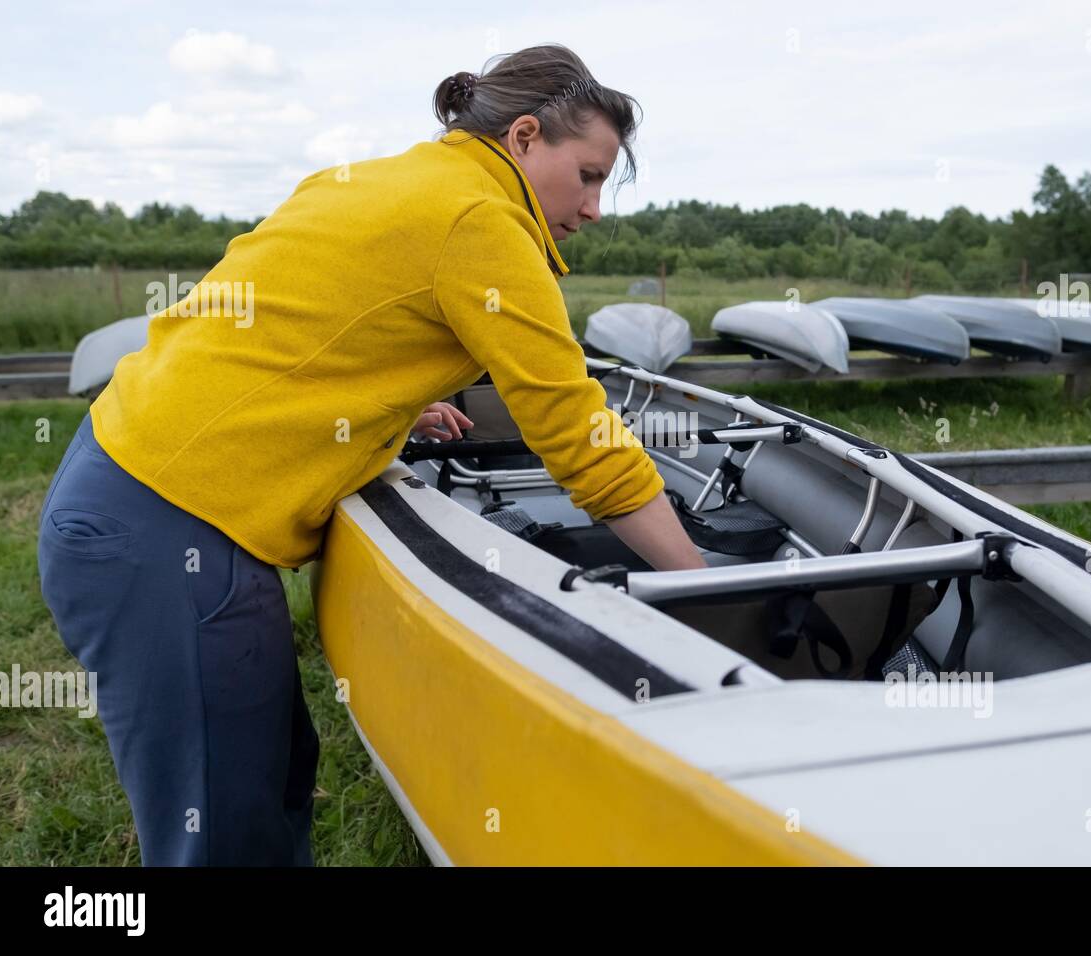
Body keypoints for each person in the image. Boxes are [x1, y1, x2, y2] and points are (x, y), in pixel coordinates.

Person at [37, 42, 705, 867]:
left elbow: (280, 312)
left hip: (122, 485)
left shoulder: (391, 179)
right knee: (220, 825)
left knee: (270, 778)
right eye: (592, 174)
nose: (597, 206)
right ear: (526, 136)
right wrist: (698, 582)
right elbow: (578, 430)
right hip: (167, 526)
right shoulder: (481, 221)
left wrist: (375, 400)